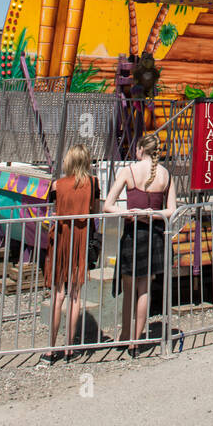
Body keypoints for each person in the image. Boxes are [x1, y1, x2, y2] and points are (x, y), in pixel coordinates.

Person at [103, 134, 176, 355]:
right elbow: (172, 210)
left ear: (140, 149)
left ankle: (126, 335)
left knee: (128, 289)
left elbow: (108, 205)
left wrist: (130, 212)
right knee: (144, 289)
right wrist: (151, 213)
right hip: (154, 234)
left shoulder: (128, 171)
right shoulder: (165, 175)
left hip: (133, 232)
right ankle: (136, 340)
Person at [39, 145, 100, 364]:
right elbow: (95, 211)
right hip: (80, 239)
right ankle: (68, 347)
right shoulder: (93, 184)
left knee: (58, 295)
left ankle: (49, 349)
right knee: (75, 295)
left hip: (61, 239)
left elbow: (52, 209)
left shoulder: (57, 185)